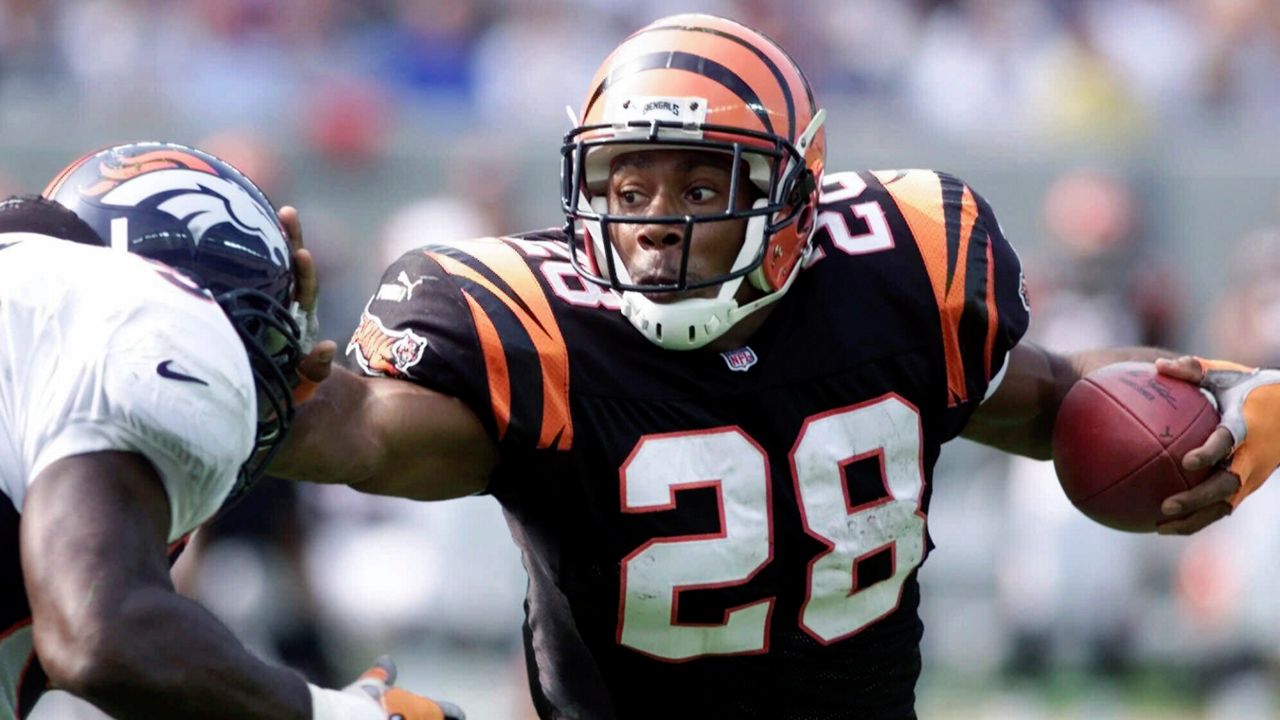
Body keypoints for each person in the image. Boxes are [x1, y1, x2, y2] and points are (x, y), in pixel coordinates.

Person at [271, 15, 1280, 719]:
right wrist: (270, 393)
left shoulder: (895, 278)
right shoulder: (535, 325)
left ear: (794, 195)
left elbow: (1054, 390)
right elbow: (367, 430)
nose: (657, 224)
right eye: (627, 186)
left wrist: (1226, 393)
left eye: (701, 182)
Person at [2, 144, 459, 720]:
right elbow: (100, 635)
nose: (288, 360)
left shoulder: (32, 301)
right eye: (270, 335)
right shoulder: (155, 316)